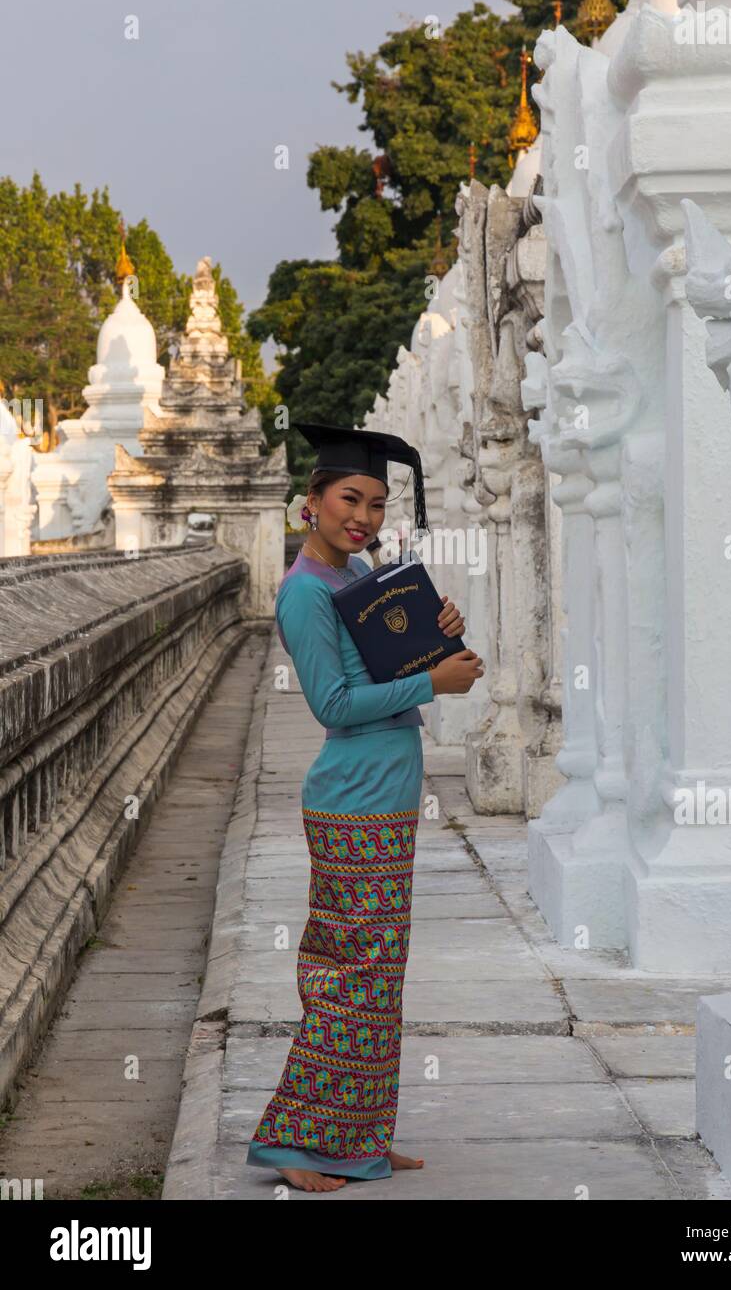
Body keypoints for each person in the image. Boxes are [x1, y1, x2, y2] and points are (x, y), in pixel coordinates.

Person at [245, 422, 484, 1192]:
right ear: (309, 502)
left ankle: (358, 1141)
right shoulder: (306, 594)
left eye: (379, 504)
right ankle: (295, 1144)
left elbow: (391, 662)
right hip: (352, 799)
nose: (366, 518)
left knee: (378, 976)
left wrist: (438, 639)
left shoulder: (357, 580)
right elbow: (336, 703)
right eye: (351, 499)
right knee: (352, 973)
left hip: (384, 795)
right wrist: (433, 684)